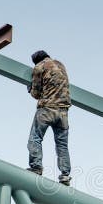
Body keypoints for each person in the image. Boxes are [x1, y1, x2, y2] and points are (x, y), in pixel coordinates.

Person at [26, 50, 72, 186]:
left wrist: (30, 89)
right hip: (63, 112)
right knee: (62, 145)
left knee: (35, 138)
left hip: (47, 109)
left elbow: (36, 93)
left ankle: (36, 167)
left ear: (37, 60)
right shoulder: (61, 65)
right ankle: (65, 175)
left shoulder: (39, 67)